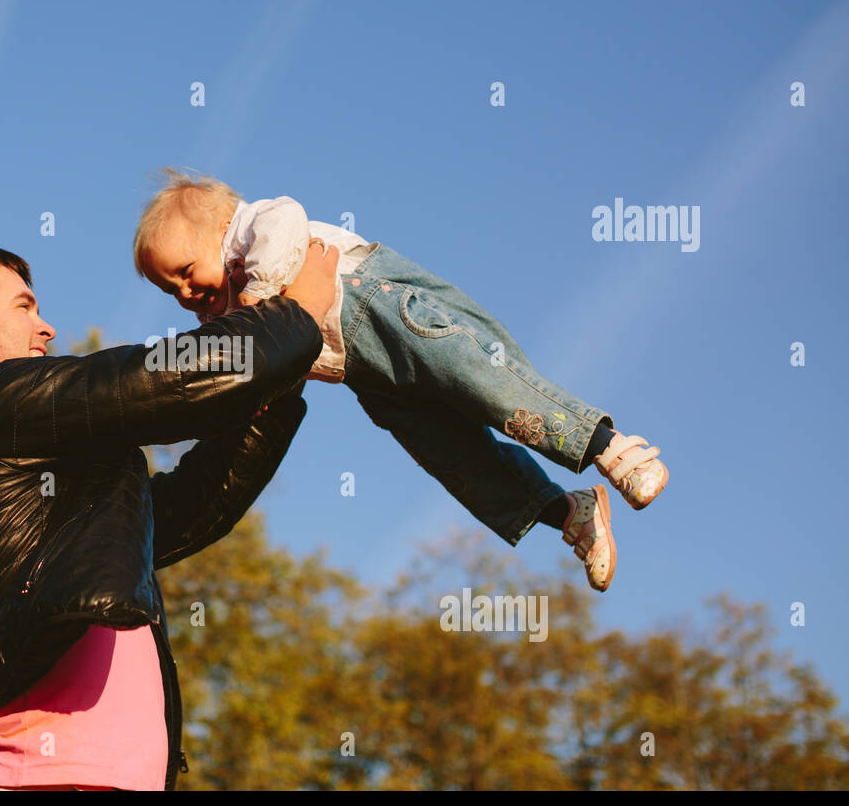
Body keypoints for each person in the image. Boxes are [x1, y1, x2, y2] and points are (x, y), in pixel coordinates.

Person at [0, 240, 338, 789]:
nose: (46, 328)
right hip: (35, 777)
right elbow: (166, 380)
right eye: (24, 306)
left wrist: (274, 391)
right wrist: (294, 316)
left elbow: (183, 511)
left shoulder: (14, 446)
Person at [133, 169, 669, 593]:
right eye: (169, 290)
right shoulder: (226, 310)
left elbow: (287, 221)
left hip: (379, 306)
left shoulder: (255, 231)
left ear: (220, 228)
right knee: (454, 458)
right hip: (369, 375)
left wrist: (261, 291)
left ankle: (612, 449)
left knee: (481, 379)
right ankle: (569, 511)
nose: (183, 293)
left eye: (184, 270)